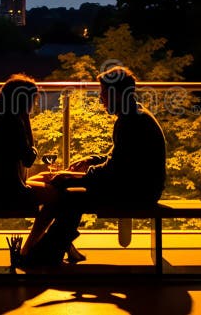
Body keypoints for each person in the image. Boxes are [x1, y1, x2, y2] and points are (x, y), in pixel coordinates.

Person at [21, 66, 167, 266]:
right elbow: (119, 159)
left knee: (70, 196)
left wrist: (75, 177)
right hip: (140, 187)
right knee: (68, 189)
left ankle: (43, 255)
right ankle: (46, 251)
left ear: (116, 94)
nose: (101, 99)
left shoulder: (130, 122)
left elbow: (114, 170)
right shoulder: (134, 115)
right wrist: (91, 160)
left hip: (138, 192)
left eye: (104, 93)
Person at [0, 74, 53, 209]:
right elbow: (28, 160)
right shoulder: (13, 124)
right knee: (55, 193)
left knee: (47, 178)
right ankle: (48, 224)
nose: (34, 104)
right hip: (6, 195)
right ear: (23, 101)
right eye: (33, 99)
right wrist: (26, 120)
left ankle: (44, 224)